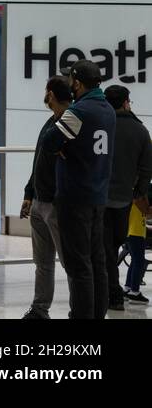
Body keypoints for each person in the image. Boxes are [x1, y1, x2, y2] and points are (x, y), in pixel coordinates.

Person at [42, 59, 116, 319]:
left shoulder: (80, 111)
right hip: (98, 197)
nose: (69, 85)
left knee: (78, 265)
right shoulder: (107, 109)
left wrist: (64, 145)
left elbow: (50, 141)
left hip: (74, 197)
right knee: (98, 262)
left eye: (71, 80)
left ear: (78, 82)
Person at [20, 75, 72, 319]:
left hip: (57, 204)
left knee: (70, 262)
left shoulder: (71, 123)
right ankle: (40, 309)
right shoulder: (50, 122)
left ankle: (79, 309)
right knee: (43, 262)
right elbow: (39, 160)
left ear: (50, 93)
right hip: (40, 201)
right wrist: (29, 193)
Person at [102, 84, 151, 312]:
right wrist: (138, 193)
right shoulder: (140, 131)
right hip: (124, 200)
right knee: (114, 245)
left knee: (102, 250)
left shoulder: (100, 124)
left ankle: (107, 293)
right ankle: (115, 294)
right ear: (125, 102)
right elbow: (146, 168)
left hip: (97, 197)